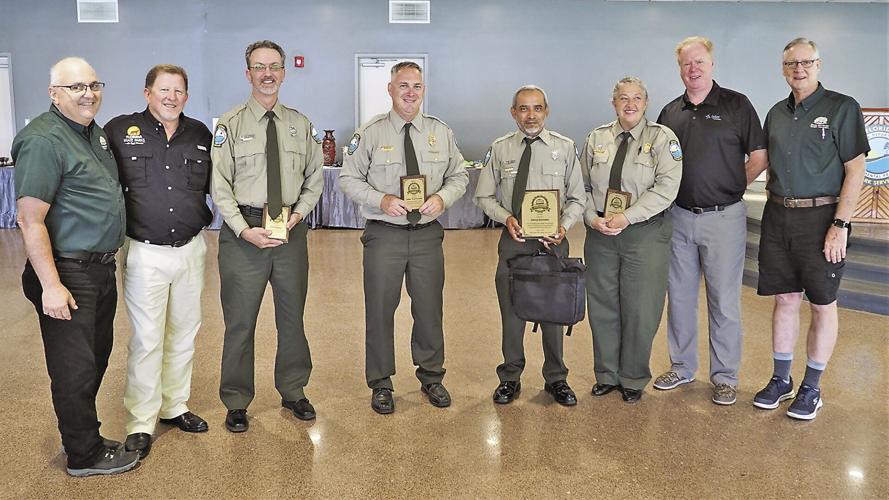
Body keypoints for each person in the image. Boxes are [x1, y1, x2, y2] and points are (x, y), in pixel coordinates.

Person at [12, 57, 140, 476]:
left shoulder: (93, 135)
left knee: (96, 358)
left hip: (100, 269)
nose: (88, 93)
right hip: (67, 272)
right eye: (76, 87)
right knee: (75, 367)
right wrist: (50, 285)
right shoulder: (42, 140)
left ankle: (86, 435)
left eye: (94, 84)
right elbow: (30, 219)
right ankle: (82, 455)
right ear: (54, 94)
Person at [340, 61, 469, 415]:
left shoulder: (440, 132)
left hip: (428, 235)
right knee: (380, 310)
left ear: (423, 90)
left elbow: (460, 175)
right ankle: (381, 383)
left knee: (429, 309)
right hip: (385, 235)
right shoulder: (370, 133)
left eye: (416, 86)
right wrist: (380, 199)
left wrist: (442, 198)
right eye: (403, 86)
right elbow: (348, 179)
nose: (410, 92)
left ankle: (431, 376)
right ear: (390, 89)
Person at [211, 40, 323, 432]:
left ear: (283, 72)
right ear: (248, 74)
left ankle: (294, 390)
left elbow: (314, 178)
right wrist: (243, 229)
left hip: (290, 231)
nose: (267, 73)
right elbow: (219, 186)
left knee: (292, 317)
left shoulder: (300, 124)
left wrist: (300, 214)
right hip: (244, 233)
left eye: (274, 66)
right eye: (259, 67)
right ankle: (237, 399)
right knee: (240, 321)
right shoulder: (229, 125)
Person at [753, 38, 868, 420]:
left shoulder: (842, 107)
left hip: (823, 219)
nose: (798, 69)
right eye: (790, 64)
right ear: (783, 69)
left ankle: (811, 387)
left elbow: (856, 170)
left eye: (806, 62)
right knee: (784, 299)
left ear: (818, 65)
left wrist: (841, 225)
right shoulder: (776, 113)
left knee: (822, 304)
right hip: (778, 215)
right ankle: (781, 379)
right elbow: (759, 163)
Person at [104, 64, 213, 457]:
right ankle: (140, 421)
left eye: (179, 91)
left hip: (190, 249)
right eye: (164, 89)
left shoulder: (200, 134)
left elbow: (222, 184)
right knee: (148, 339)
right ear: (147, 92)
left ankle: (174, 405)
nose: (172, 97)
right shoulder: (119, 131)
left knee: (184, 333)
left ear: (186, 95)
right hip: (144, 252)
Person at [653, 36, 767, 406]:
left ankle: (725, 376)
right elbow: (657, 165)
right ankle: (682, 366)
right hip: (679, 218)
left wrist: (734, 183)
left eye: (700, 61)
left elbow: (760, 155)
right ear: (680, 69)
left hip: (724, 219)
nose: (694, 68)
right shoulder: (670, 113)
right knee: (681, 299)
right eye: (687, 64)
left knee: (723, 301)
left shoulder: (737, 105)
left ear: (712, 64)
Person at [474, 85, 585, 406]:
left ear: (547, 111)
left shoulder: (564, 149)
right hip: (513, 244)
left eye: (537, 108)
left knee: (554, 313)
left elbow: (578, 198)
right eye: (523, 108)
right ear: (513, 113)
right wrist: (506, 218)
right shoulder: (500, 149)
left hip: (553, 245)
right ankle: (510, 377)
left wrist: (563, 226)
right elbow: (483, 196)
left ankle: (557, 379)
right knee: (511, 315)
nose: (531, 115)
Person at [579, 77, 682, 404]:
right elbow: (578, 187)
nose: (630, 104)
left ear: (646, 102)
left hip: (644, 234)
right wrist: (591, 217)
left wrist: (627, 217)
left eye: (637, 98)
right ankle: (607, 375)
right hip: (601, 234)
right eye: (623, 98)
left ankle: (633, 377)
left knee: (641, 307)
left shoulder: (663, 139)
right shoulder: (597, 138)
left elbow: (667, 188)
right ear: (614, 103)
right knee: (603, 304)